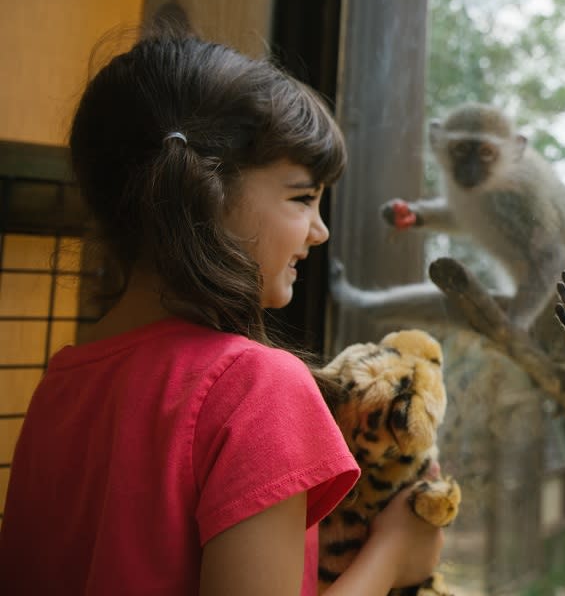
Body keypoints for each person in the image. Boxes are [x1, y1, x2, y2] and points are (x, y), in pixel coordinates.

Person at [0, 32, 444, 595]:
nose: (319, 230)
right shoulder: (256, 387)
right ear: (203, 191)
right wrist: (392, 556)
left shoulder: (61, 384)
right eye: (302, 198)